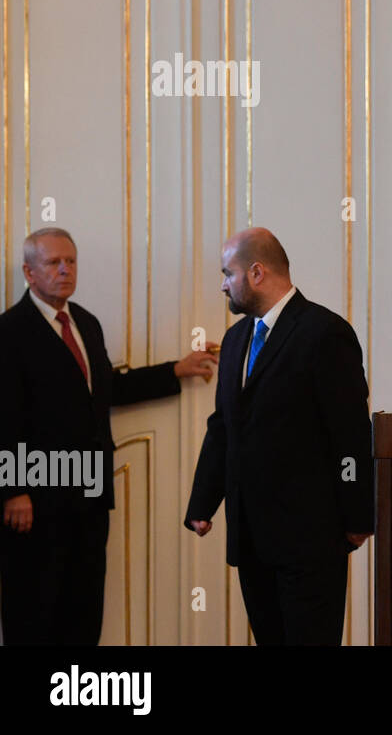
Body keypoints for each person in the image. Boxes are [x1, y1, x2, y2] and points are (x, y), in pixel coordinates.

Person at [0, 227, 217, 645]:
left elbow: (105, 391)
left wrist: (175, 369)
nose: (65, 269)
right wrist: (13, 491)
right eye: (53, 262)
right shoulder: (9, 331)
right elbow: (4, 415)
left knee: (83, 613)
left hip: (89, 496)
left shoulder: (85, 322)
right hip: (35, 502)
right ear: (29, 272)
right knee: (34, 613)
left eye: (71, 261)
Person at [184, 227, 373, 645]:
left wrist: (358, 515)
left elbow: (350, 433)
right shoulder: (235, 341)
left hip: (311, 537)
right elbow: (224, 427)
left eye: (227, 273)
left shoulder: (325, 333)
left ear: (256, 272)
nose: (222, 284)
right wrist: (203, 502)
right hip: (252, 537)